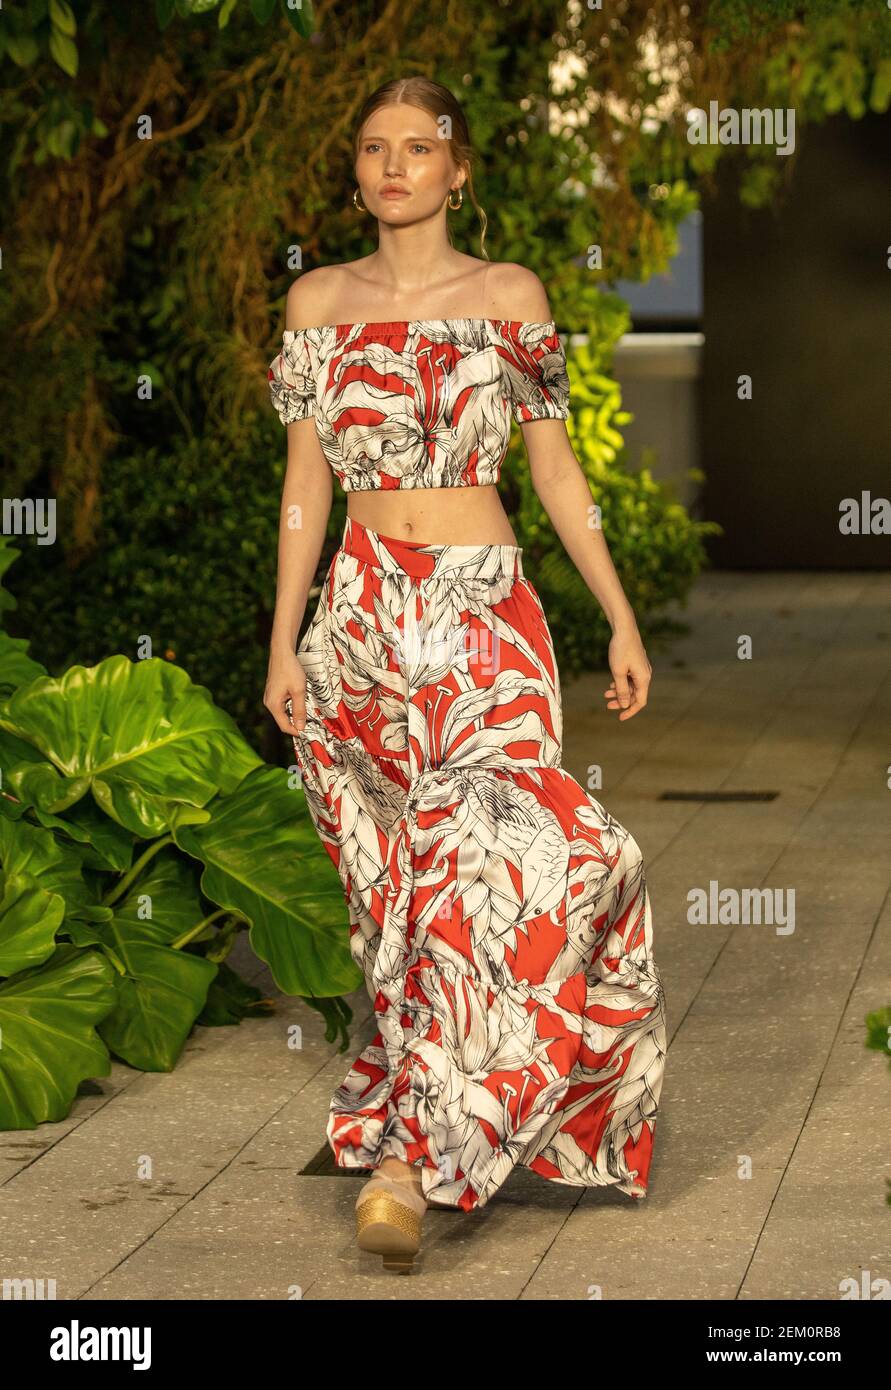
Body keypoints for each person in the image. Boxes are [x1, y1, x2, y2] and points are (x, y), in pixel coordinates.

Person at [264, 76, 667, 1274]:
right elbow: (303, 489)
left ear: (459, 168)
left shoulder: (510, 298)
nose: (396, 165)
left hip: (484, 618)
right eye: (375, 148)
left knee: (498, 858)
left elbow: (556, 475)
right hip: (362, 623)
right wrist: (284, 636)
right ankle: (423, 1122)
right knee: (398, 895)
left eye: (419, 146)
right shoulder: (316, 301)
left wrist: (619, 617)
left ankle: (409, 1168)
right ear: (357, 174)